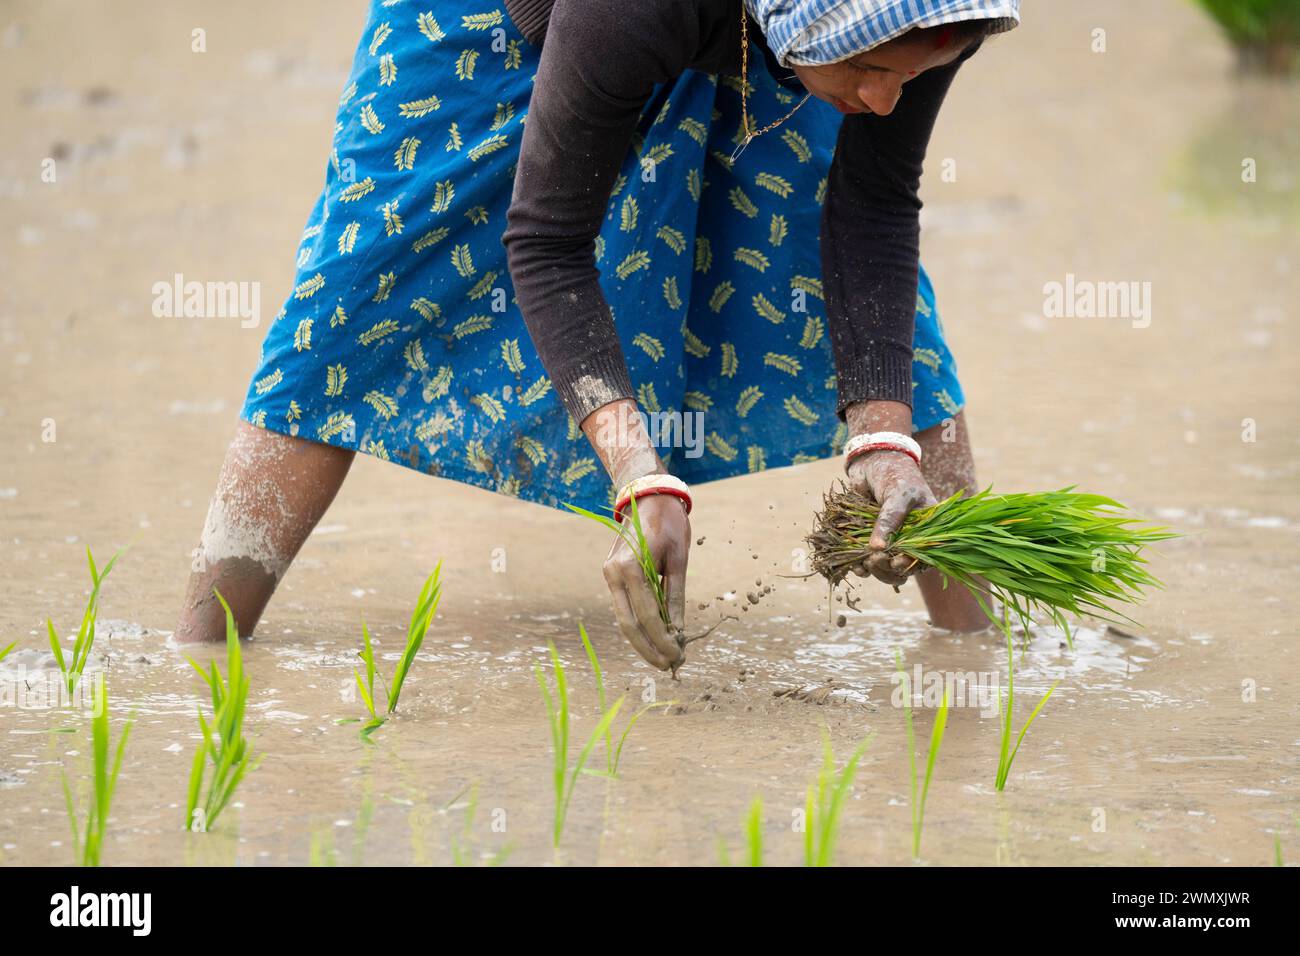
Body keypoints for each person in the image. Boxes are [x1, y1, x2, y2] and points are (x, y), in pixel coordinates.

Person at [178, 0, 1019, 669]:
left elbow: (872, 206)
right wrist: (636, 472)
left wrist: (882, 431)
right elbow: (545, 241)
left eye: (912, 72)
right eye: (872, 70)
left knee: (878, 329)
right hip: (499, 31)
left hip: (775, 43)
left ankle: (976, 657)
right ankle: (200, 655)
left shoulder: (926, 18)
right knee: (367, 287)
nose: (884, 100)